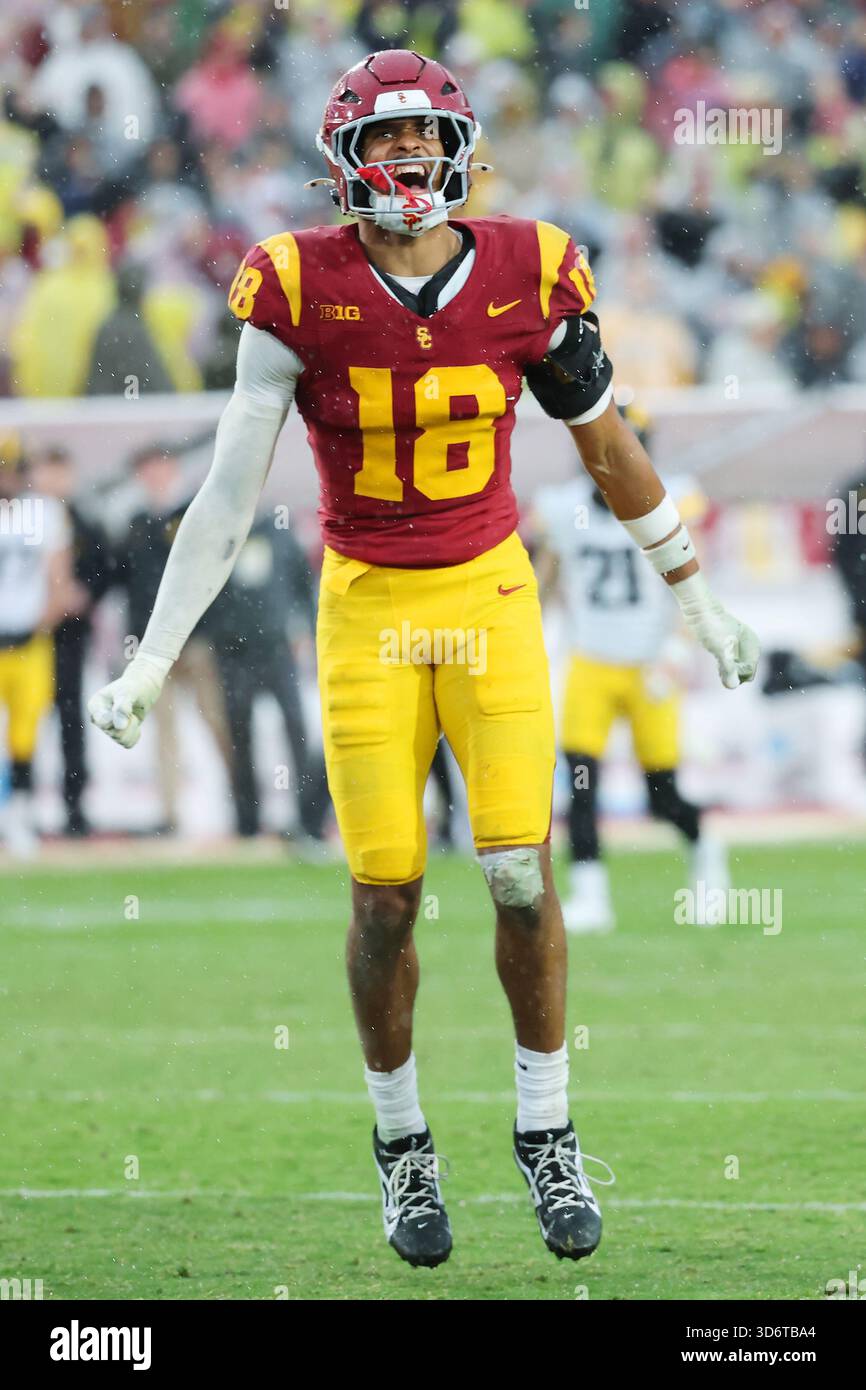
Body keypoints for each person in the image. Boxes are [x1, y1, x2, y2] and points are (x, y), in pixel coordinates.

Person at [88, 51, 759, 1269]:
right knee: (386, 889)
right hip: (366, 604)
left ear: (455, 149)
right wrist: (149, 657)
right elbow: (228, 498)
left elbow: (604, 441)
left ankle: (545, 1129)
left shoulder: (528, 267)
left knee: (513, 868)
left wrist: (694, 592)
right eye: (378, 145)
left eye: (417, 142)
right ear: (341, 161)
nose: (400, 167)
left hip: (489, 588)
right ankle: (402, 1148)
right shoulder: (294, 282)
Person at [532, 410, 729, 933]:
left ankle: (707, 852)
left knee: (661, 795)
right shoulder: (564, 508)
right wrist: (530, 638)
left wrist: (678, 651)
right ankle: (591, 896)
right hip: (593, 662)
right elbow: (545, 581)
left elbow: (694, 580)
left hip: (649, 665)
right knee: (581, 785)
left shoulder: (671, 503)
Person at [207, 512, 331, 846]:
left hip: (276, 648)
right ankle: (247, 821)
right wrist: (218, 634)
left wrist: (303, 625)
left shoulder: (278, 532)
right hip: (233, 652)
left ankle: (307, 818)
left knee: (296, 730)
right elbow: (206, 589)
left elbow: (302, 583)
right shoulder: (222, 531)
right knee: (239, 734)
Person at [29, 446, 116, 837]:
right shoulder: (22, 516)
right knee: (24, 719)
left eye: (60, 473)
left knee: (68, 718)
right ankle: (22, 806)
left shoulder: (84, 520)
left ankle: (74, 808)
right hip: (25, 636)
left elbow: (107, 568)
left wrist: (83, 595)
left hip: (68, 636)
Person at [0, 434, 77, 856]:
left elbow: (58, 580)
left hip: (29, 640)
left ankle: (20, 818)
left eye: (12, 468)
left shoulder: (43, 513)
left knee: (25, 735)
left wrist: (38, 621)